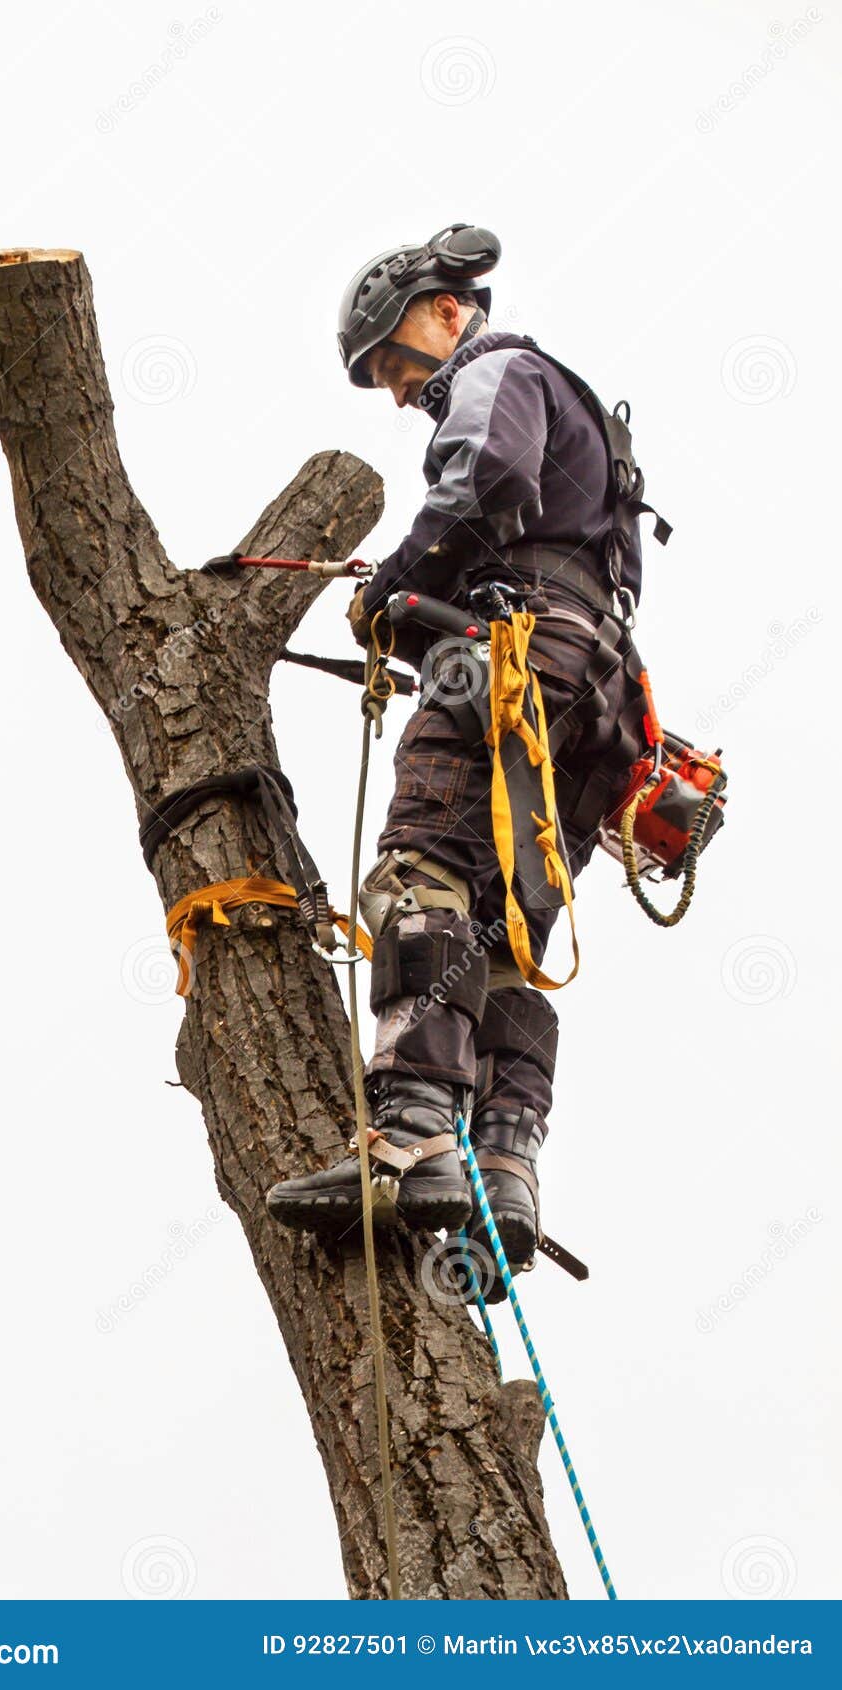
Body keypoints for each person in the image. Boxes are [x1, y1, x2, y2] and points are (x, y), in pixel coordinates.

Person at [266, 226, 662, 1300]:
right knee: (492, 941)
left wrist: (389, 582)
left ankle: (409, 1137)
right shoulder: (582, 441)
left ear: (445, 310)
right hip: (593, 709)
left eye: (395, 364)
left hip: (513, 668)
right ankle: (501, 1170)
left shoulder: (498, 369)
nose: (397, 394)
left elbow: (480, 474)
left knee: (417, 876)